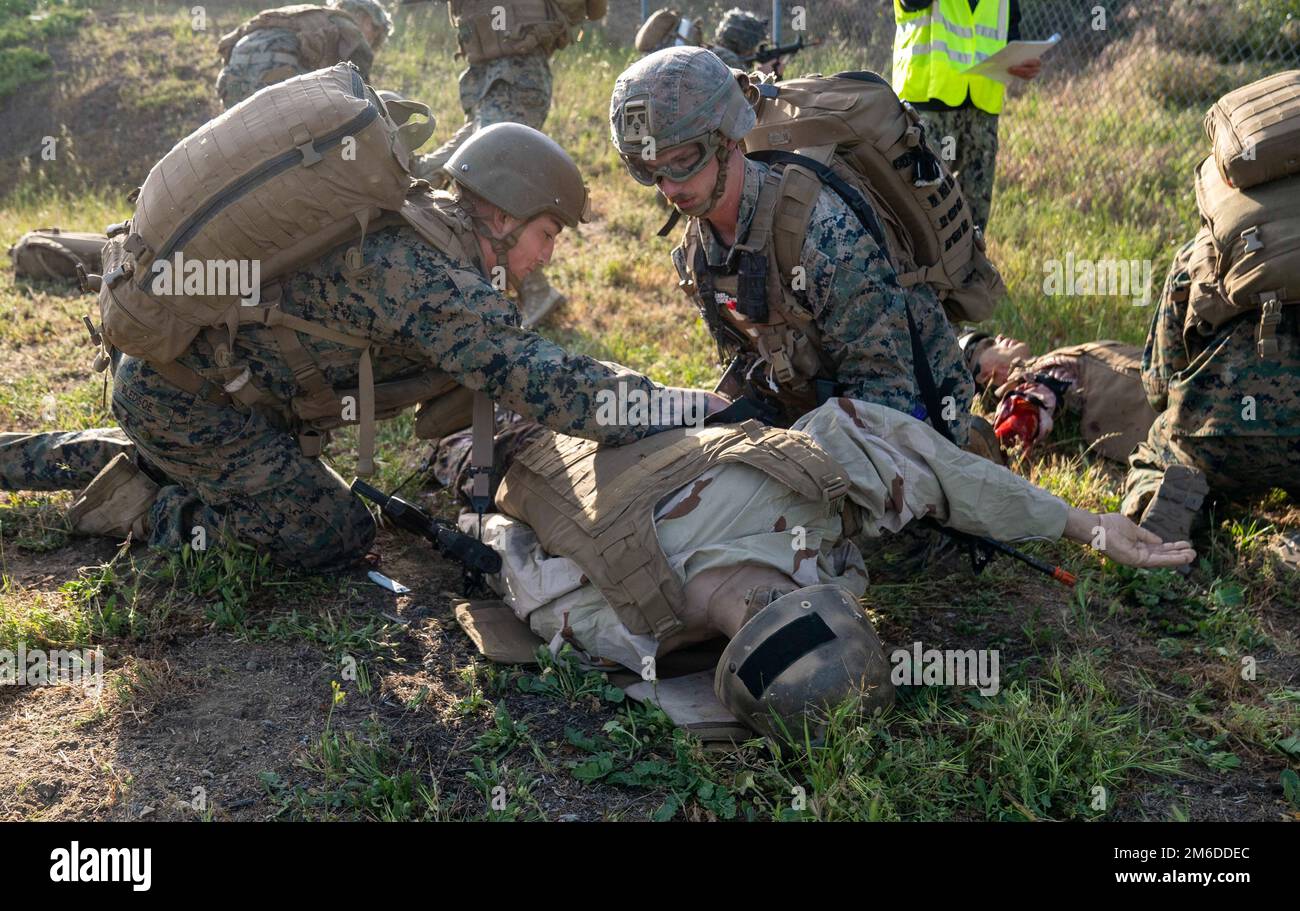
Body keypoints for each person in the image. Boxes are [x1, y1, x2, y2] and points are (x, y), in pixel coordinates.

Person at [0, 124, 722, 570]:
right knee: (334, 536)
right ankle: (154, 508)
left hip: (185, 385)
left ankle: (71, 460)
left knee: (182, 447)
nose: (545, 258)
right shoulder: (432, 277)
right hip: (192, 401)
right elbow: (549, 384)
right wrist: (684, 405)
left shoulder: (424, 228)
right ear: (502, 214)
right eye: (545, 235)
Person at [437, 397, 1194, 739]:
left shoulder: (611, 615)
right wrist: (1088, 525)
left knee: (468, 441)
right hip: (636, 414)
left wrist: (1090, 527)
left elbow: (503, 542)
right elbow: (926, 460)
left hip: (524, 432)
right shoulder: (615, 624)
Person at [609, 47, 976, 447]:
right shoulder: (698, 250)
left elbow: (888, 388)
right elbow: (756, 356)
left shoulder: (822, 232)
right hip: (811, 411)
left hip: (915, 417)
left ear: (728, 138)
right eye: (648, 168)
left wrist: (807, 459)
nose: (669, 187)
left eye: (683, 160)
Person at [412, 0, 607, 327]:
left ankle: (534, 292)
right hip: (484, 76)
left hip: (516, 73)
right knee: (445, 169)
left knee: (492, 180)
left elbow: (596, 10)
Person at [1122, 236, 1300, 559]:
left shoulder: (1203, 249)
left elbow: (1158, 387)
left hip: (1213, 435)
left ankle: (1156, 498)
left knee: (1156, 457)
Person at [891, 0, 1044, 233]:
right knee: (919, 215)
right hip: (928, 106)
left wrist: (1021, 60)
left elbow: (1010, 29)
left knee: (974, 221)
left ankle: (970, 269)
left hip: (982, 108)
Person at [958, 329, 1158, 462]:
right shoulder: (1035, 376)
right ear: (983, 375)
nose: (1000, 337)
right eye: (989, 345)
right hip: (1173, 412)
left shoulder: (1044, 365)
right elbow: (1021, 417)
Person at [215, 0, 393, 109]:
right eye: (375, 29)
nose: (372, 38)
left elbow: (227, 44)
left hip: (231, 81)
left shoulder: (306, 14)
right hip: (276, 80)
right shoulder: (349, 28)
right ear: (364, 17)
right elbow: (361, 97)